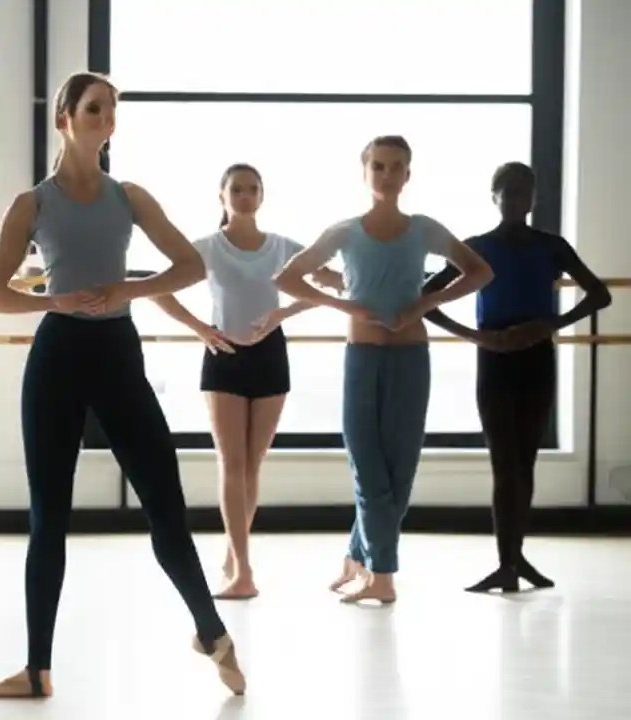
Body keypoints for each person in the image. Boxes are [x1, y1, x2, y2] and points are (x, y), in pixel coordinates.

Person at [0, 71, 245, 700]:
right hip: (59, 357)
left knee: (165, 508)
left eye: (112, 111)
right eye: (94, 109)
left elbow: (191, 265)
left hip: (118, 353)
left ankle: (212, 632)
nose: (106, 119)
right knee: (49, 518)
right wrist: (56, 302)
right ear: (65, 118)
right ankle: (37, 669)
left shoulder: (131, 196)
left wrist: (128, 289)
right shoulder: (32, 203)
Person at [274, 135, 494, 604]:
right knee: (367, 465)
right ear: (365, 171)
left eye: (397, 167)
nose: (388, 175)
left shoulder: (424, 229)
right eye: (379, 166)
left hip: (411, 358)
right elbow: (287, 277)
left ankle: (361, 557)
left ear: (408, 175)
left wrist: (429, 300)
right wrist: (341, 302)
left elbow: (479, 271)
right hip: (362, 358)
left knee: (399, 469)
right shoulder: (345, 231)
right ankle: (382, 574)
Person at [148, 163, 343, 599]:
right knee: (232, 464)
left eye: (252, 189)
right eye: (236, 189)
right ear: (222, 196)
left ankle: (235, 555)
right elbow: (158, 288)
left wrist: (284, 312)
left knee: (252, 465)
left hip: (270, 357)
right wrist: (200, 328)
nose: (245, 195)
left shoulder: (281, 248)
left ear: (261, 196)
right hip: (224, 357)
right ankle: (243, 570)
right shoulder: (209, 249)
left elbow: (331, 285)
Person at [420, 161, 611, 593]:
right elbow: (425, 298)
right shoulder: (476, 247)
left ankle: (514, 558)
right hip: (496, 358)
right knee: (503, 462)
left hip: (537, 356)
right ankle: (507, 562)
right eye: (507, 193)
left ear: (534, 199)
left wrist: (550, 325)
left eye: (523, 193)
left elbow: (600, 293)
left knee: (524, 460)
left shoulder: (551, 246)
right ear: (494, 197)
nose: (515, 200)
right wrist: (475, 336)